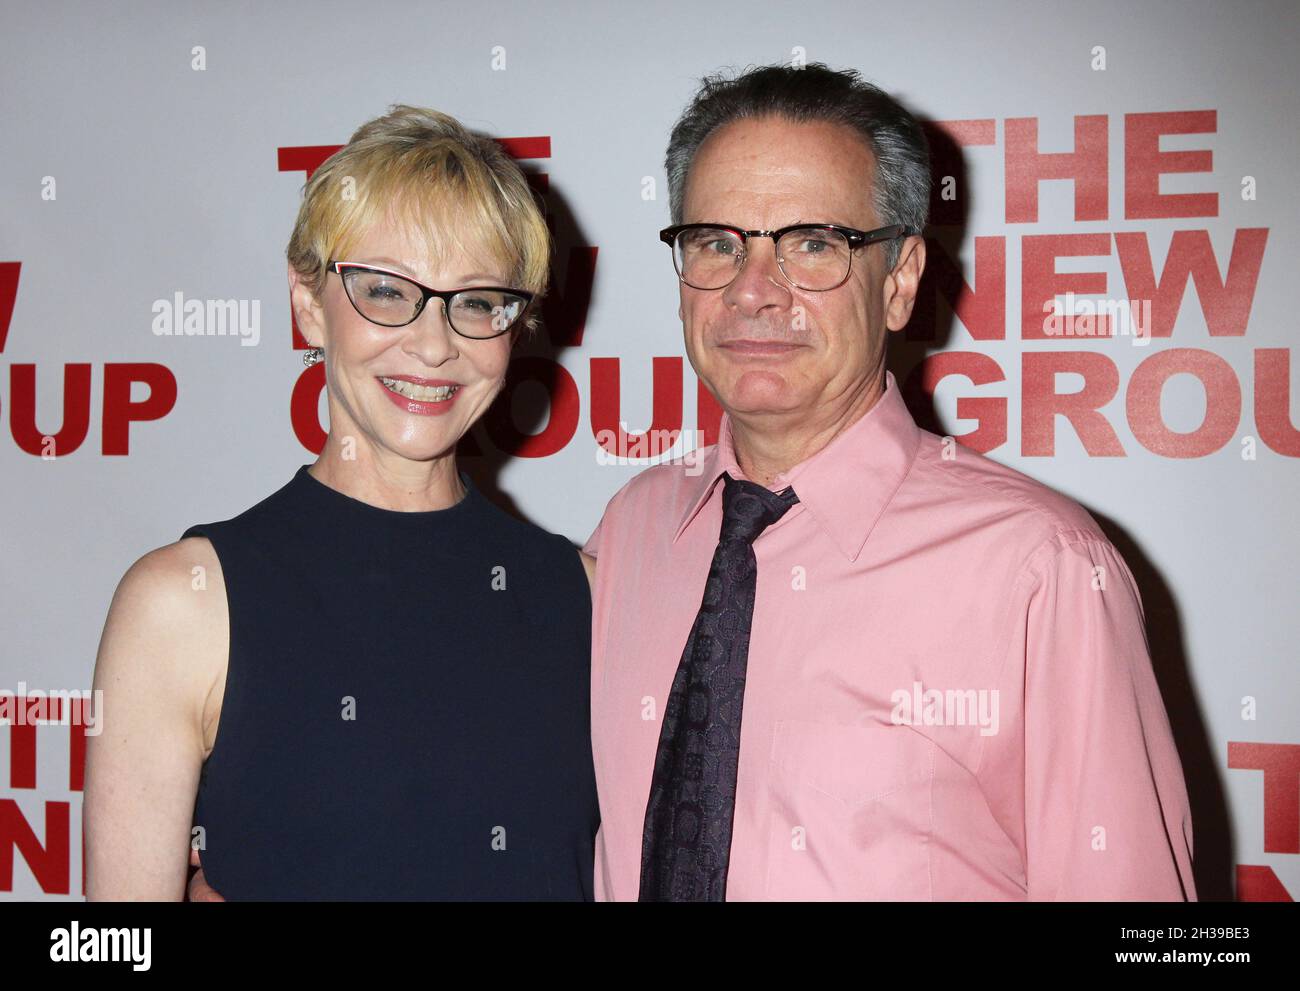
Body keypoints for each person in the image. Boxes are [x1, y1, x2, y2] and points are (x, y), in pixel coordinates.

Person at [582, 63, 1197, 901]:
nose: (754, 291)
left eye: (813, 245)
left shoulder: (1038, 571)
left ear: (901, 279)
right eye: (717, 243)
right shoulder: (633, 532)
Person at [84, 106, 599, 900]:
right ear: (305, 303)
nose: (433, 345)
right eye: (386, 291)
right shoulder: (183, 603)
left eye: (475, 300)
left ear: (514, 323)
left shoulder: (586, 596)